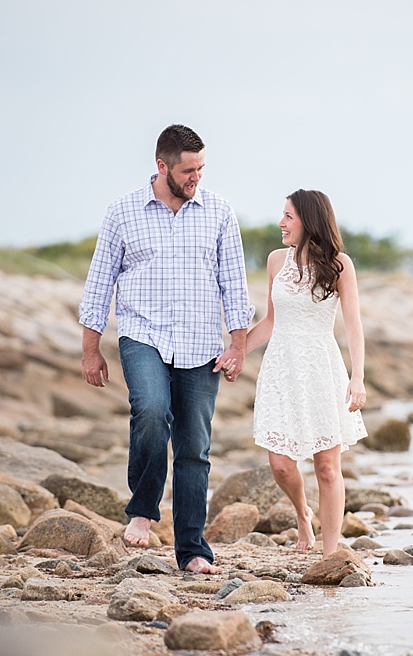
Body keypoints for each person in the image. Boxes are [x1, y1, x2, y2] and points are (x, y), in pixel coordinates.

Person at [79, 124, 253, 574]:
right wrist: (90, 350)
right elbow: (99, 284)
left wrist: (239, 344)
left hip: (200, 343)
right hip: (143, 334)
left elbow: (234, 283)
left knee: (195, 448)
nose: (196, 177)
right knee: (152, 410)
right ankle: (143, 508)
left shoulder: (219, 212)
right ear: (162, 166)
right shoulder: (122, 213)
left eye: (201, 168)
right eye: (188, 169)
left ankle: (192, 550)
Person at [225, 189, 367, 558]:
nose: (281, 223)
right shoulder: (276, 261)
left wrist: (358, 378)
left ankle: (330, 553)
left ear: (309, 219)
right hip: (280, 369)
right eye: (282, 216)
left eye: (288, 216)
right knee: (281, 464)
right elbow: (270, 321)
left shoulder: (340, 265)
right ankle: (303, 514)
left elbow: (353, 325)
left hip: (322, 367)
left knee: (327, 467)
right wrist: (236, 352)